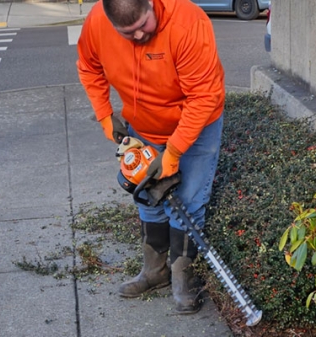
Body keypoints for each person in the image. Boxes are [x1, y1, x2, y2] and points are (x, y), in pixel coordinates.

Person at [77, 0, 225, 315]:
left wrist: (172, 152)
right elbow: (88, 67)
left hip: (196, 124)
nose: (140, 36)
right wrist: (105, 115)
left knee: (187, 201)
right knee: (146, 195)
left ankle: (184, 278)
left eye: (144, 25)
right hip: (144, 125)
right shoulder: (97, 24)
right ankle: (154, 272)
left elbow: (204, 95)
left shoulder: (187, 22)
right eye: (128, 33)